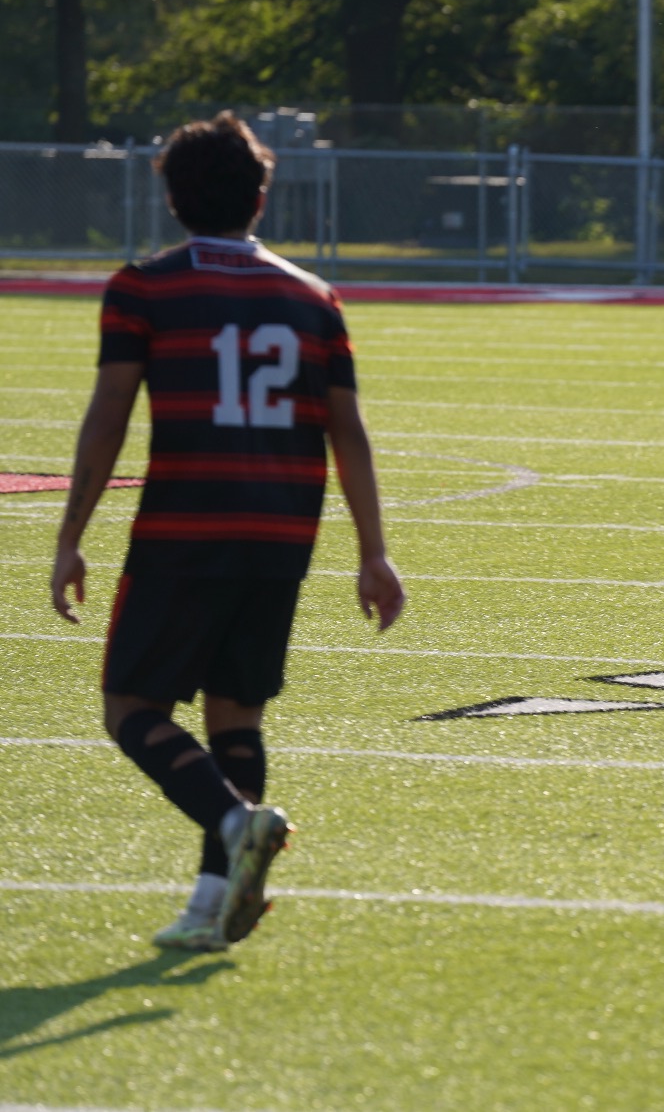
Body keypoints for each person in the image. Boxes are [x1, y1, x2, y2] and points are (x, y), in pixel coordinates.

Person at [50, 111, 405, 952]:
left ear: (172, 195)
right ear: (262, 195)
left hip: (185, 528)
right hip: (281, 535)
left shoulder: (144, 286)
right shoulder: (315, 297)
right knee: (234, 719)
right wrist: (373, 550)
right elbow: (346, 429)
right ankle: (213, 901)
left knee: (131, 707)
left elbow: (109, 417)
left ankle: (232, 821)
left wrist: (70, 534)